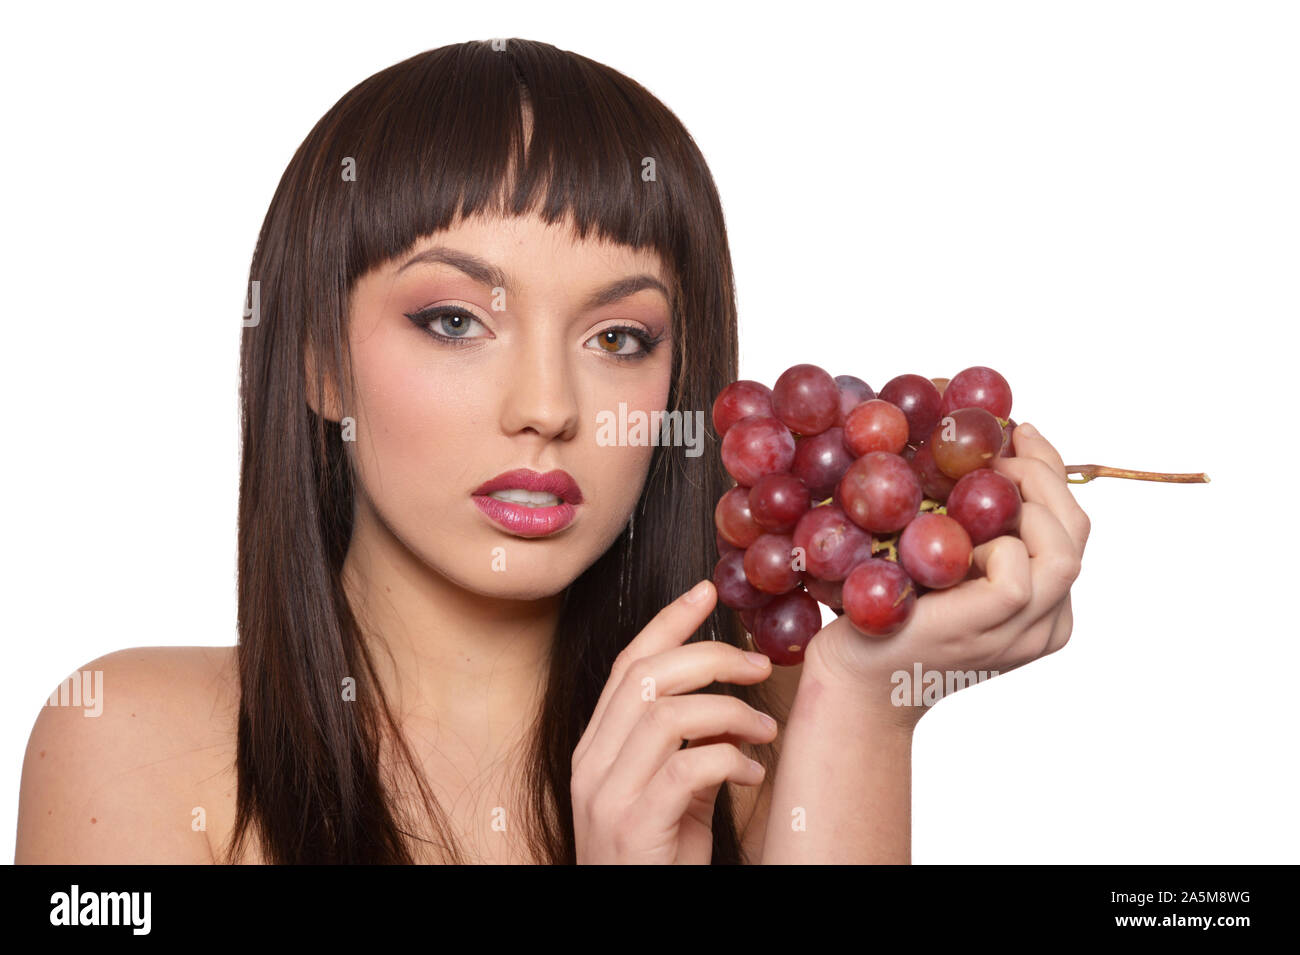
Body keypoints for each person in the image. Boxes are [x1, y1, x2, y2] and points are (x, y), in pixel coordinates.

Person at [15, 38, 1088, 865]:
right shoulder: (133, 740)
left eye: (617, 338)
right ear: (318, 363)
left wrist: (863, 700)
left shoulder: (769, 759)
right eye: (454, 321)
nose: (548, 408)